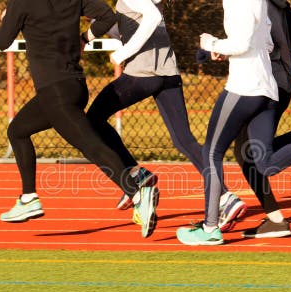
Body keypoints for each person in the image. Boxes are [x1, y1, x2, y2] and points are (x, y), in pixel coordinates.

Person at [175, 0, 291, 246]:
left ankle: (210, 228)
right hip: (268, 88)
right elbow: (267, 43)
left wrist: (212, 43)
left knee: (212, 151)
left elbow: (241, 44)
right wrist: (228, 49)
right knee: (264, 162)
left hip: (243, 86)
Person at [0, 0, 160, 238]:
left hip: (55, 92)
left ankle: (136, 192)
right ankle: (28, 197)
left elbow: (2, 41)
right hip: (74, 87)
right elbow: (107, 17)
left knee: (91, 146)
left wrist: (8, 17)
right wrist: (84, 38)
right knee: (18, 130)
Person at [85, 0, 248, 226]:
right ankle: (225, 197)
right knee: (184, 140)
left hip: (142, 74)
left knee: (91, 121)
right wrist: (93, 29)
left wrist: (122, 53)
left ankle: (134, 174)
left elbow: (151, 18)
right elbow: (128, 26)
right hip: (168, 74)